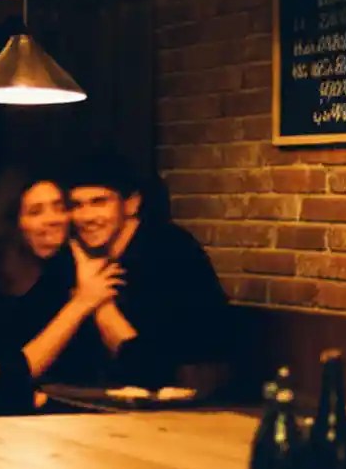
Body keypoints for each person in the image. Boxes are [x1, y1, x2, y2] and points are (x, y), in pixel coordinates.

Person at [0, 167, 121, 414]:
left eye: (59, 207)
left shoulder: (65, 271)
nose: (54, 219)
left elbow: (99, 370)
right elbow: (1, 381)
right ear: (13, 222)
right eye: (36, 211)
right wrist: (80, 305)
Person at [66, 153, 230, 391]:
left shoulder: (168, 252)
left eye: (99, 202)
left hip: (191, 407)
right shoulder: (86, 255)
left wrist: (99, 305)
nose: (86, 217)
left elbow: (149, 371)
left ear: (132, 204)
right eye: (76, 206)